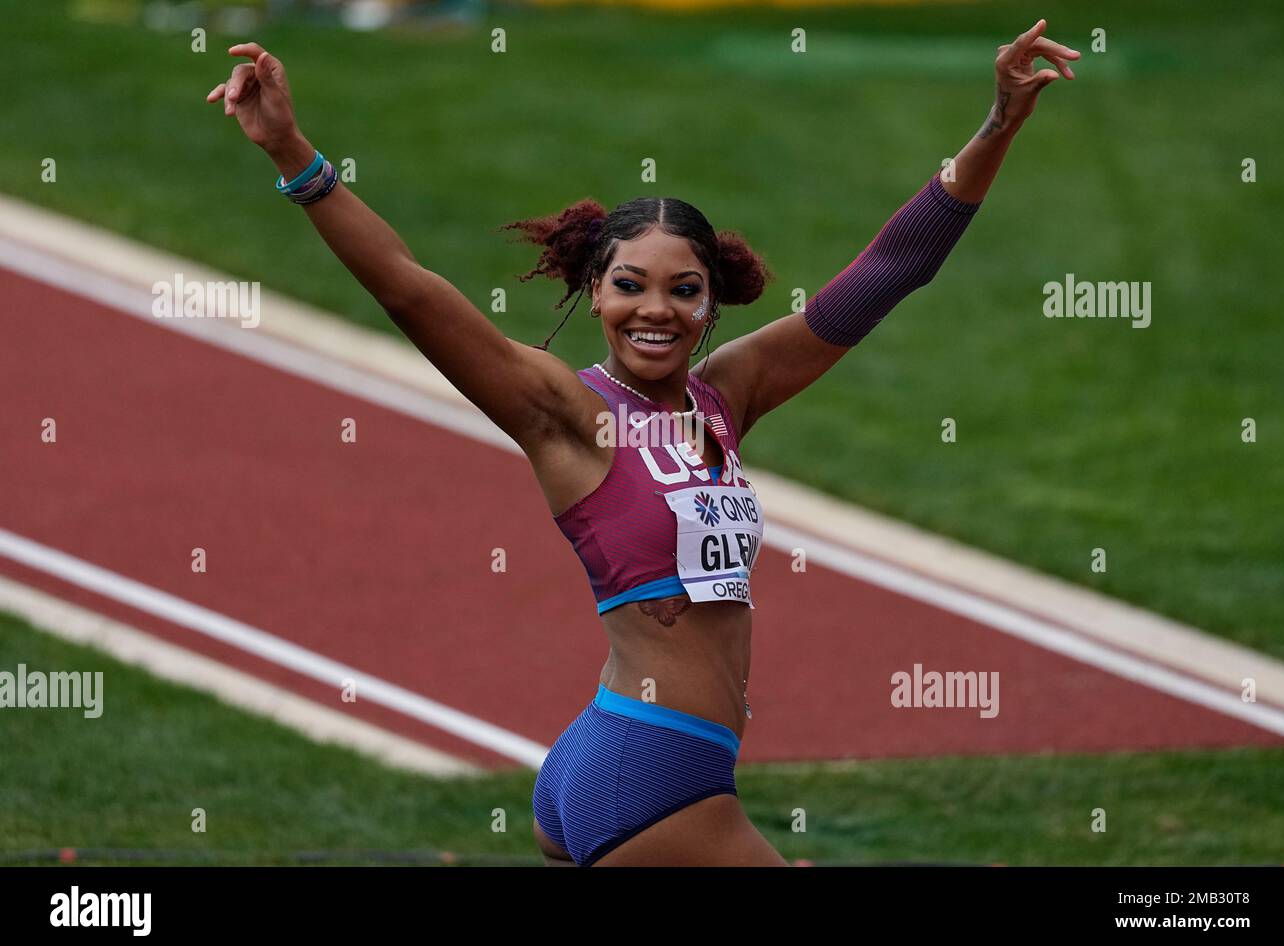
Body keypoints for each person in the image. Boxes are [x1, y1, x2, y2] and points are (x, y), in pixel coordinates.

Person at [205, 19, 1078, 866]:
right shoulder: (561, 410)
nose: (654, 310)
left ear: (711, 304)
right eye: (630, 286)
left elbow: (893, 268)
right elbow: (410, 290)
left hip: (622, 753)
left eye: (682, 290)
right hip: (652, 777)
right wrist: (294, 156)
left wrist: (997, 124)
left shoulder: (729, 394)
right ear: (595, 291)